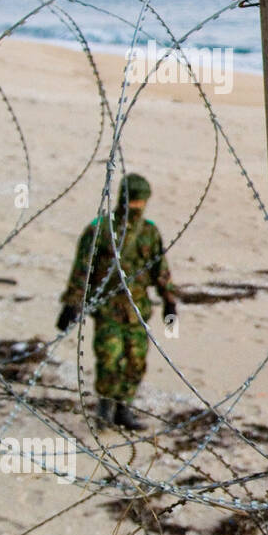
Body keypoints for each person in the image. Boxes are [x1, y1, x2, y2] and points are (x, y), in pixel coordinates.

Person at [56, 173, 176, 430]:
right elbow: (82, 270)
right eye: (132, 201)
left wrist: (170, 301)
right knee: (109, 359)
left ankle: (124, 408)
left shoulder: (149, 232)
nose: (136, 207)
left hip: (137, 310)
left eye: (140, 202)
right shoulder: (100, 229)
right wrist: (71, 303)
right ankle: (105, 408)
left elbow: (160, 269)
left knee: (136, 361)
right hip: (108, 309)